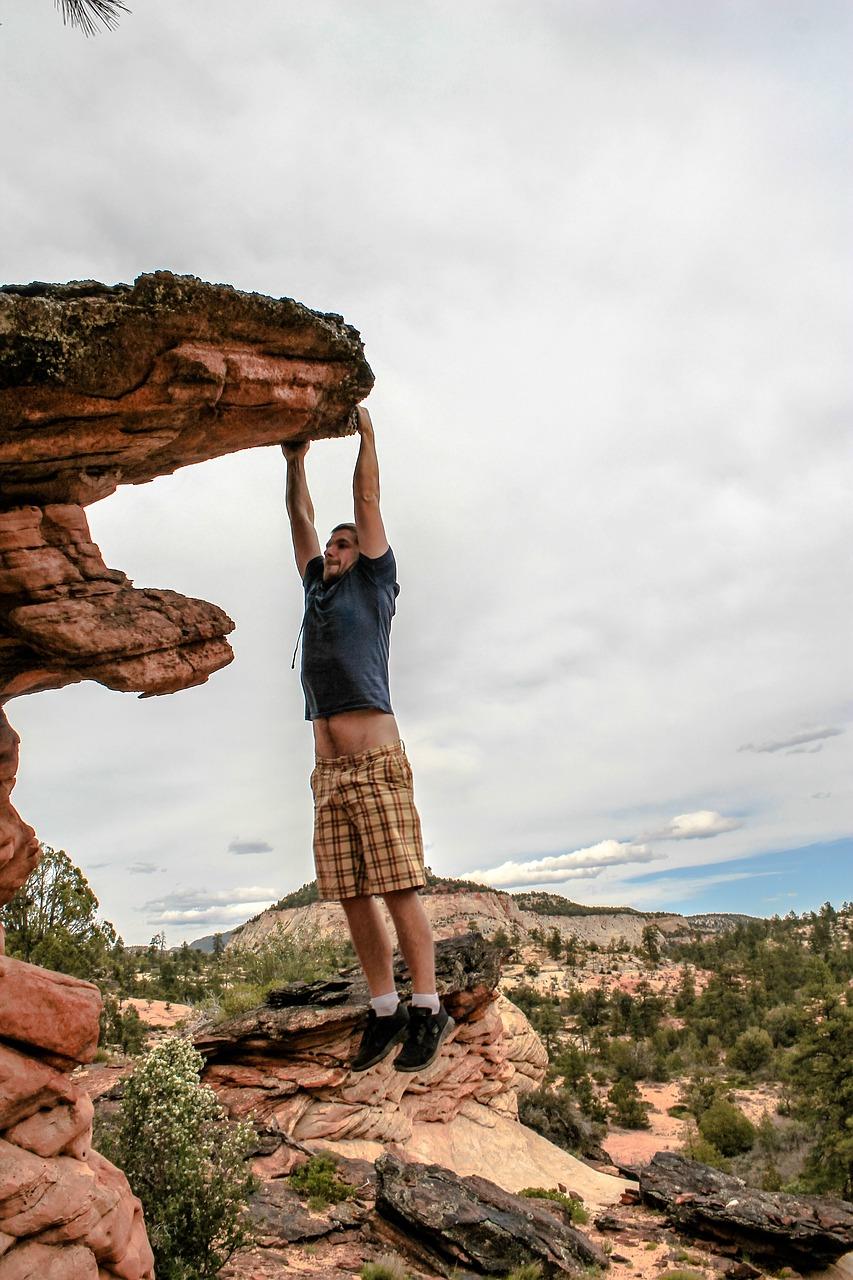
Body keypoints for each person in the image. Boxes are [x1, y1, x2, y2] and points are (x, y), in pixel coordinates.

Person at [281, 406, 453, 1073]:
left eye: (345, 544)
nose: (334, 549)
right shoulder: (315, 587)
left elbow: (366, 500)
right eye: (332, 544)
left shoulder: (374, 583)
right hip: (327, 772)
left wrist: (367, 437)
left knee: (397, 886)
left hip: (376, 761)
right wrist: (294, 461)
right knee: (351, 894)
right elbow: (298, 517)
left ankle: (427, 1008)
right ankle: (384, 1010)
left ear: (366, 556)